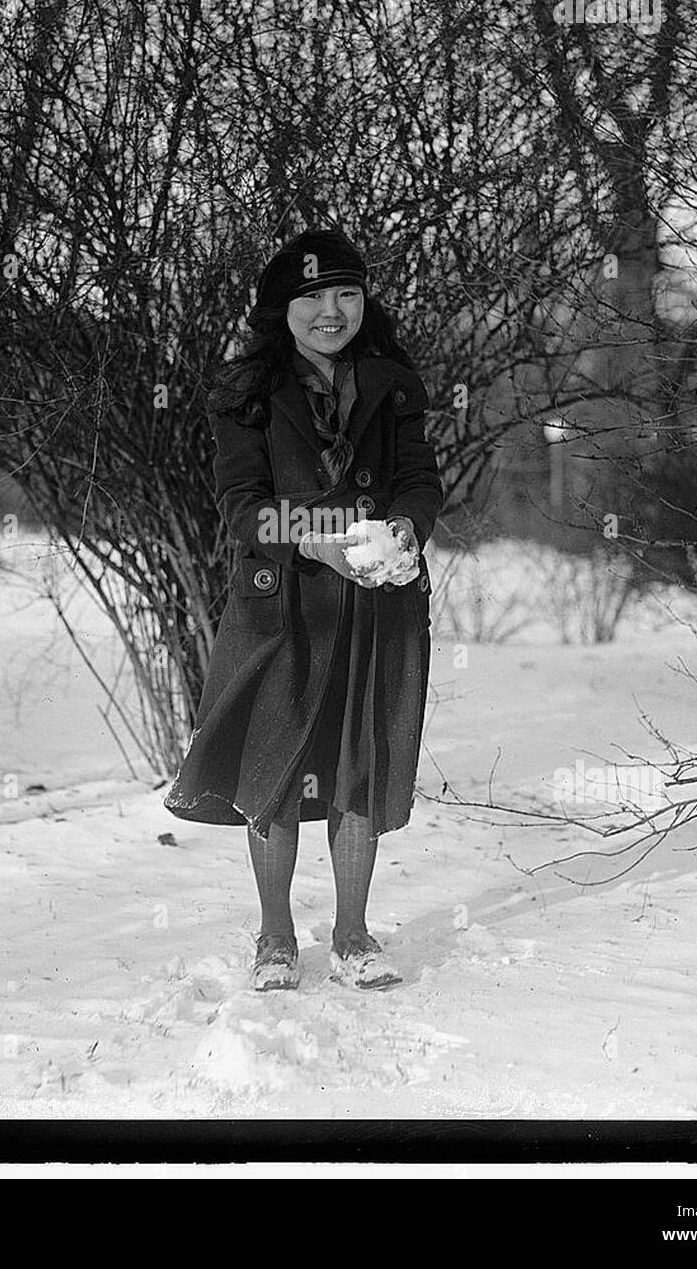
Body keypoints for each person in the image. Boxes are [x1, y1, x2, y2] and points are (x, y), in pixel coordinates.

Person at [164, 228, 443, 991]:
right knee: (275, 763)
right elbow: (240, 504)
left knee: (360, 760)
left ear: (364, 301)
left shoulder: (392, 382)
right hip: (281, 605)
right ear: (281, 308)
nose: (331, 311)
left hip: (376, 604)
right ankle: (276, 937)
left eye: (346, 294)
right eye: (313, 297)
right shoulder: (245, 393)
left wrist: (406, 528)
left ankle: (353, 936)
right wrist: (312, 545)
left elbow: (421, 478)